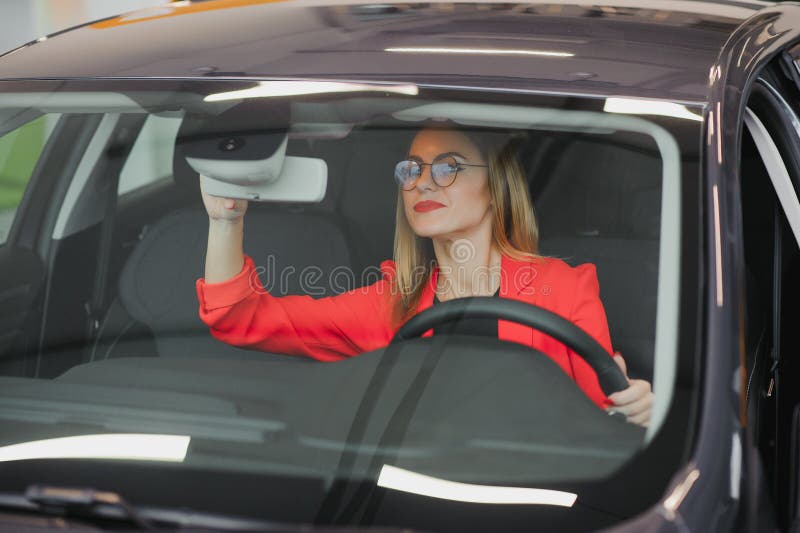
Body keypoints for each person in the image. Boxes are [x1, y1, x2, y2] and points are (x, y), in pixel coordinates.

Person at [196, 124, 654, 427]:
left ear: (495, 187)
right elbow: (238, 317)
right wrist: (225, 220)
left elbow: (602, 421)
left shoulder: (564, 289)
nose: (422, 182)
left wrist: (635, 410)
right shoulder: (389, 304)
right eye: (410, 169)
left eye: (448, 167)